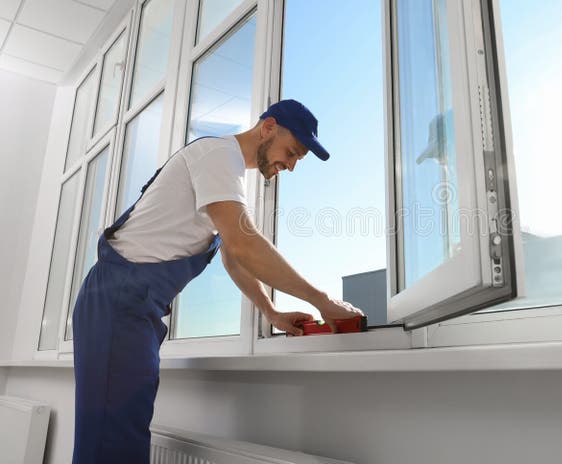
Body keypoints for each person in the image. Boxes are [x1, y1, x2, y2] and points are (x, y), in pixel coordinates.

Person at [71, 99, 364, 464]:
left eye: (297, 160)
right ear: (268, 127)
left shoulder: (226, 178)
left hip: (135, 308)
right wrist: (322, 301)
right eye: (291, 152)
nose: (290, 165)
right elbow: (244, 245)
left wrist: (270, 313)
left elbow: (232, 257)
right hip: (118, 299)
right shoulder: (216, 156)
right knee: (112, 440)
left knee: (122, 429)